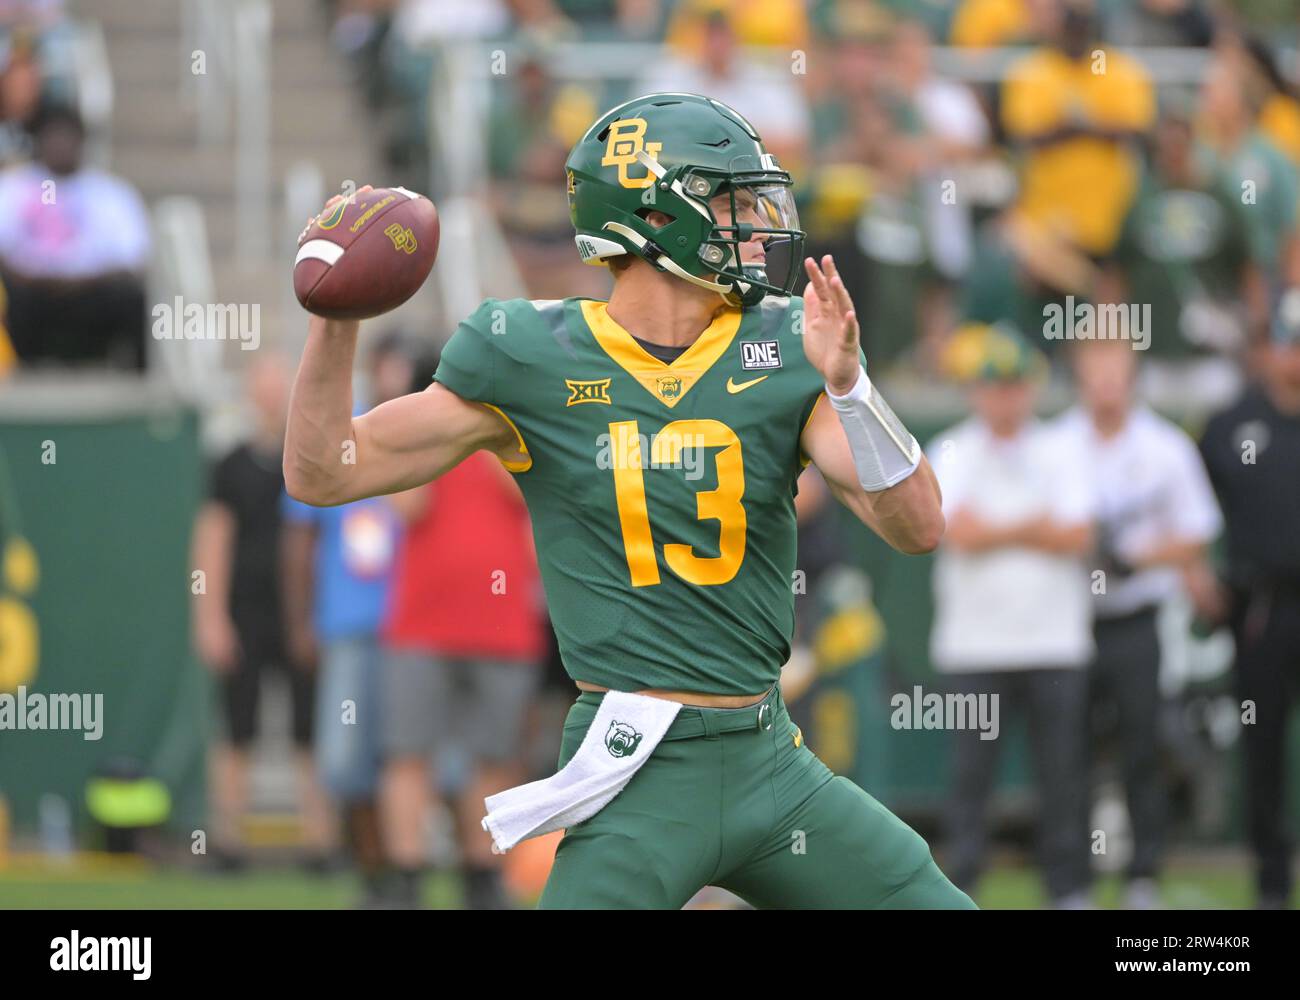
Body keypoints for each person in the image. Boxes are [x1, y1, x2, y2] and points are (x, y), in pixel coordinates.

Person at [284, 93, 971, 909]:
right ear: (657, 217)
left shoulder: (789, 341)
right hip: (640, 766)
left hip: (770, 761)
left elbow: (918, 525)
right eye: (730, 202)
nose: (756, 227)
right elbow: (325, 472)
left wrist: (852, 389)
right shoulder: (531, 354)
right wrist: (336, 319)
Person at [927, 324, 1096, 908]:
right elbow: (957, 532)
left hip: (1055, 642)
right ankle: (961, 887)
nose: (1005, 397)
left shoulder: (1065, 447)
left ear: (1032, 388)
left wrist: (996, 528)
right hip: (975, 645)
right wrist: (1033, 525)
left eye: (1015, 384)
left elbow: (1076, 534)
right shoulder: (949, 448)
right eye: (994, 385)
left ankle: (1068, 889)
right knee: (970, 778)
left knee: (1063, 775)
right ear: (975, 390)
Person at [1055, 338, 1223, 908]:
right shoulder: (1055, 444)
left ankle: (1142, 875)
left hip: (1135, 620)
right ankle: (1071, 880)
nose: (1106, 385)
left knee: (1141, 747)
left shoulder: (1166, 447)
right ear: (1080, 378)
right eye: (1096, 373)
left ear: (1133, 378)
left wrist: (1135, 558)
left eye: (1115, 373)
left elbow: (1197, 531)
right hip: (1067, 624)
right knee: (1068, 752)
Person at [279, 334, 411, 905]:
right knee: (346, 759)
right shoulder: (344, 430)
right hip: (350, 623)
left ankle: (407, 874)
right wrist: (300, 619)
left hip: (414, 629)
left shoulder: (427, 432)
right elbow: (300, 535)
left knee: (409, 759)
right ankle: (373, 871)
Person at [192, 354, 331, 871]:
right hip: (245, 615)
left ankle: (320, 843)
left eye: (281, 388)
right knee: (237, 727)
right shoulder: (230, 464)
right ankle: (228, 842)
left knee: (311, 728)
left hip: (303, 616)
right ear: (251, 395)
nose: (273, 398)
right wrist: (210, 618)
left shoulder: (312, 460)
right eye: (265, 388)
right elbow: (212, 540)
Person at [1198, 299, 1300, 909]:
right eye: (1288, 339)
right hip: (1261, 605)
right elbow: (1187, 502)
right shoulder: (1231, 424)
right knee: (1262, 747)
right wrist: (1195, 572)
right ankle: (1271, 881)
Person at [0, 101, 150, 368]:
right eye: (53, 136)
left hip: (93, 294)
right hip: (28, 293)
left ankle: (139, 377)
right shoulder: (14, 186)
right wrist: (34, 278)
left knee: (131, 298)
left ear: (82, 141)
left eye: (67, 136)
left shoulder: (111, 192)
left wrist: (78, 281)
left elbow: (133, 259)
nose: (60, 144)